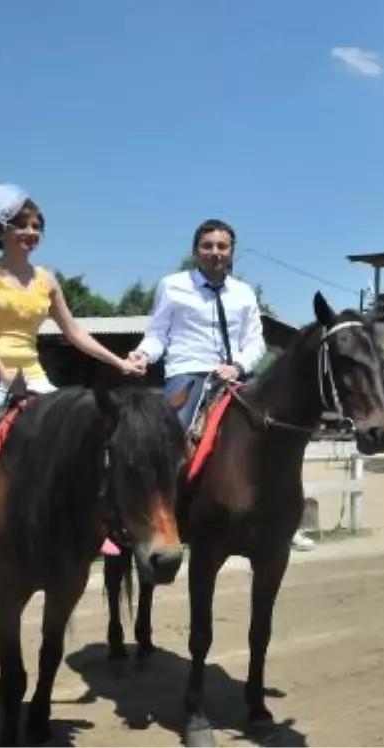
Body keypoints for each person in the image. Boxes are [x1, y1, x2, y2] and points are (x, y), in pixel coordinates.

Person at [124, 219, 317, 551]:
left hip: (236, 376)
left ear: (232, 253)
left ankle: (285, 520)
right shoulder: (173, 286)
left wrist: (238, 365)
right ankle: (159, 519)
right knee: (170, 439)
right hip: (188, 373)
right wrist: (142, 354)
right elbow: (157, 333)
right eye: (207, 246)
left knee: (281, 435)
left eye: (222, 246)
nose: (215, 252)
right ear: (196, 250)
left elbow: (256, 341)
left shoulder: (243, 293)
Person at [0, 180, 141, 423]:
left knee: (79, 428)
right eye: (21, 225)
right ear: (0, 230)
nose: (32, 232)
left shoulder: (46, 279)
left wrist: (118, 361)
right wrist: (5, 377)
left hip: (34, 378)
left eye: (37, 227)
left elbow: (75, 332)